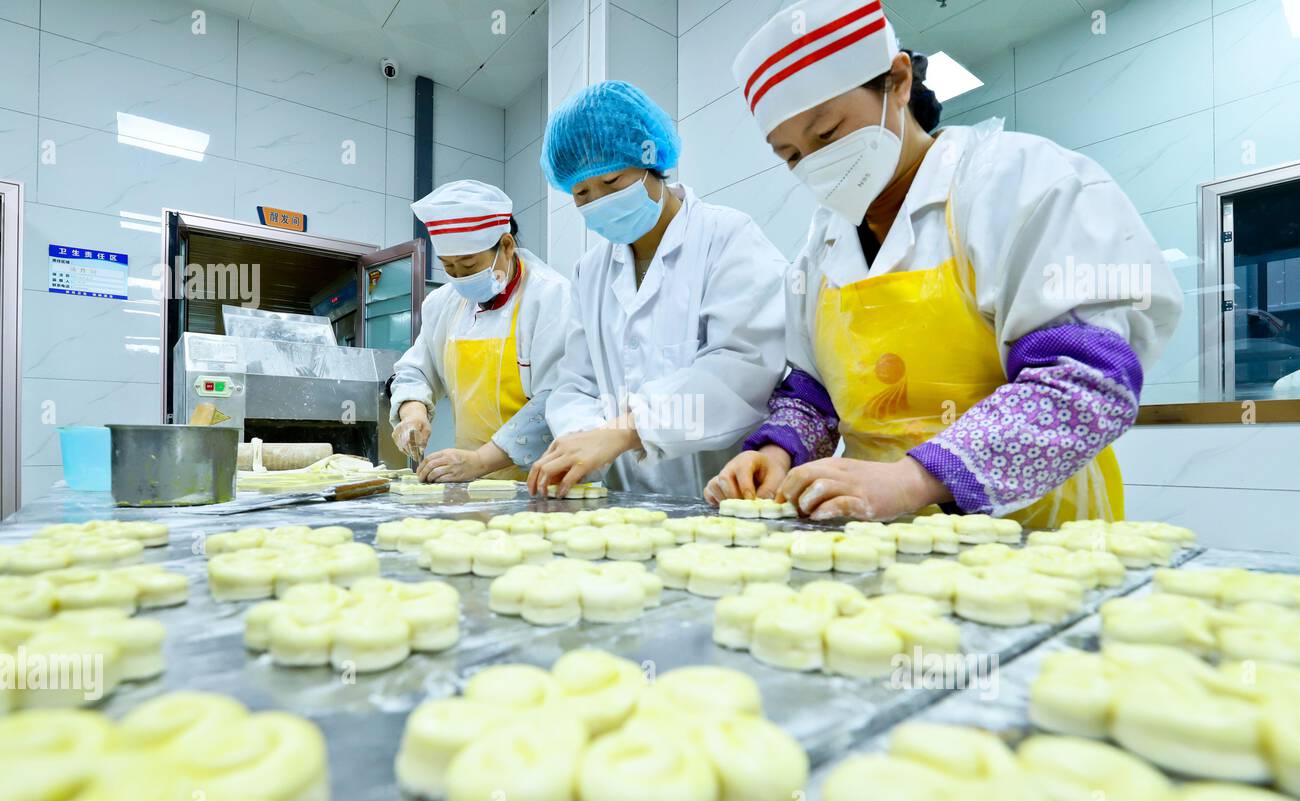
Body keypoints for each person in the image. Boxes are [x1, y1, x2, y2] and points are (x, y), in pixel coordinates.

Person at [707, 0, 1180, 525]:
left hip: (1037, 541)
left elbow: (1085, 382)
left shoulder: (1022, 184)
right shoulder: (822, 249)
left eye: (828, 133)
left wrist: (912, 479)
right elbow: (814, 397)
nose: (815, 163)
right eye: (792, 155)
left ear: (898, 80)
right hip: (876, 547)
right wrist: (778, 454)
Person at [529, 81, 787, 498]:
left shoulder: (727, 238)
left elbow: (744, 369)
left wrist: (629, 429)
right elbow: (576, 382)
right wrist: (585, 438)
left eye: (612, 182)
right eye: (581, 193)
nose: (598, 201)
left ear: (652, 162)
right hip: (623, 503)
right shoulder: (589, 272)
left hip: (725, 499)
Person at [389, 180, 572, 481]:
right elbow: (416, 370)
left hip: (546, 479)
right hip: (472, 483)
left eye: (470, 266)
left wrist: (480, 460)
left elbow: (556, 398)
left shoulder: (550, 298)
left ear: (507, 246)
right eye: (449, 268)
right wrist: (413, 412)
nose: (460, 279)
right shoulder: (443, 304)